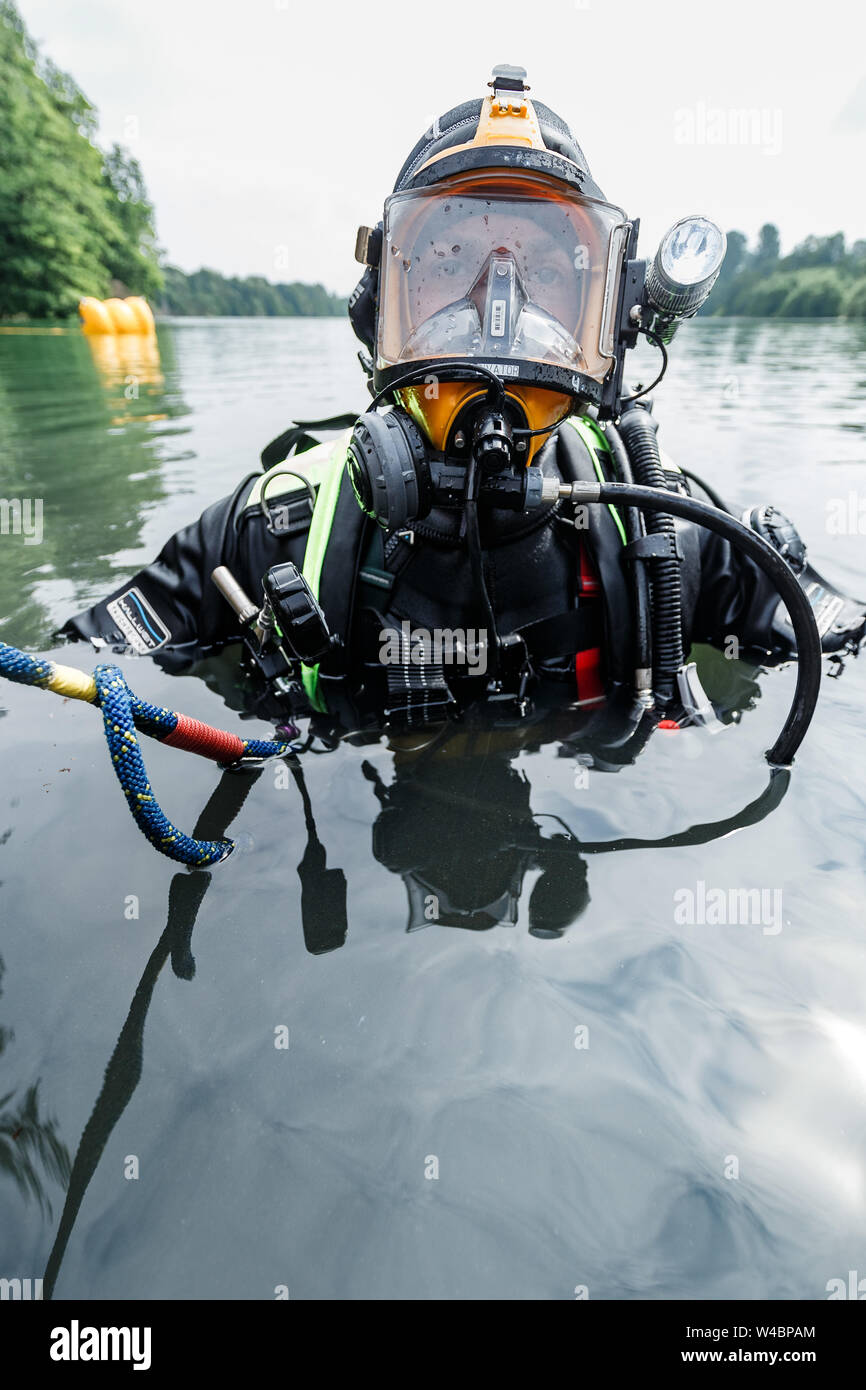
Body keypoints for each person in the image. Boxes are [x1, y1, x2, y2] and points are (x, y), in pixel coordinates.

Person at [63, 64, 865, 740]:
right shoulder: (276, 528)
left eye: (547, 274)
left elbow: (842, 645)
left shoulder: (672, 539)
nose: (498, 310)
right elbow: (72, 676)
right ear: (381, 307)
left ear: (612, 322)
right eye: (450, 259)